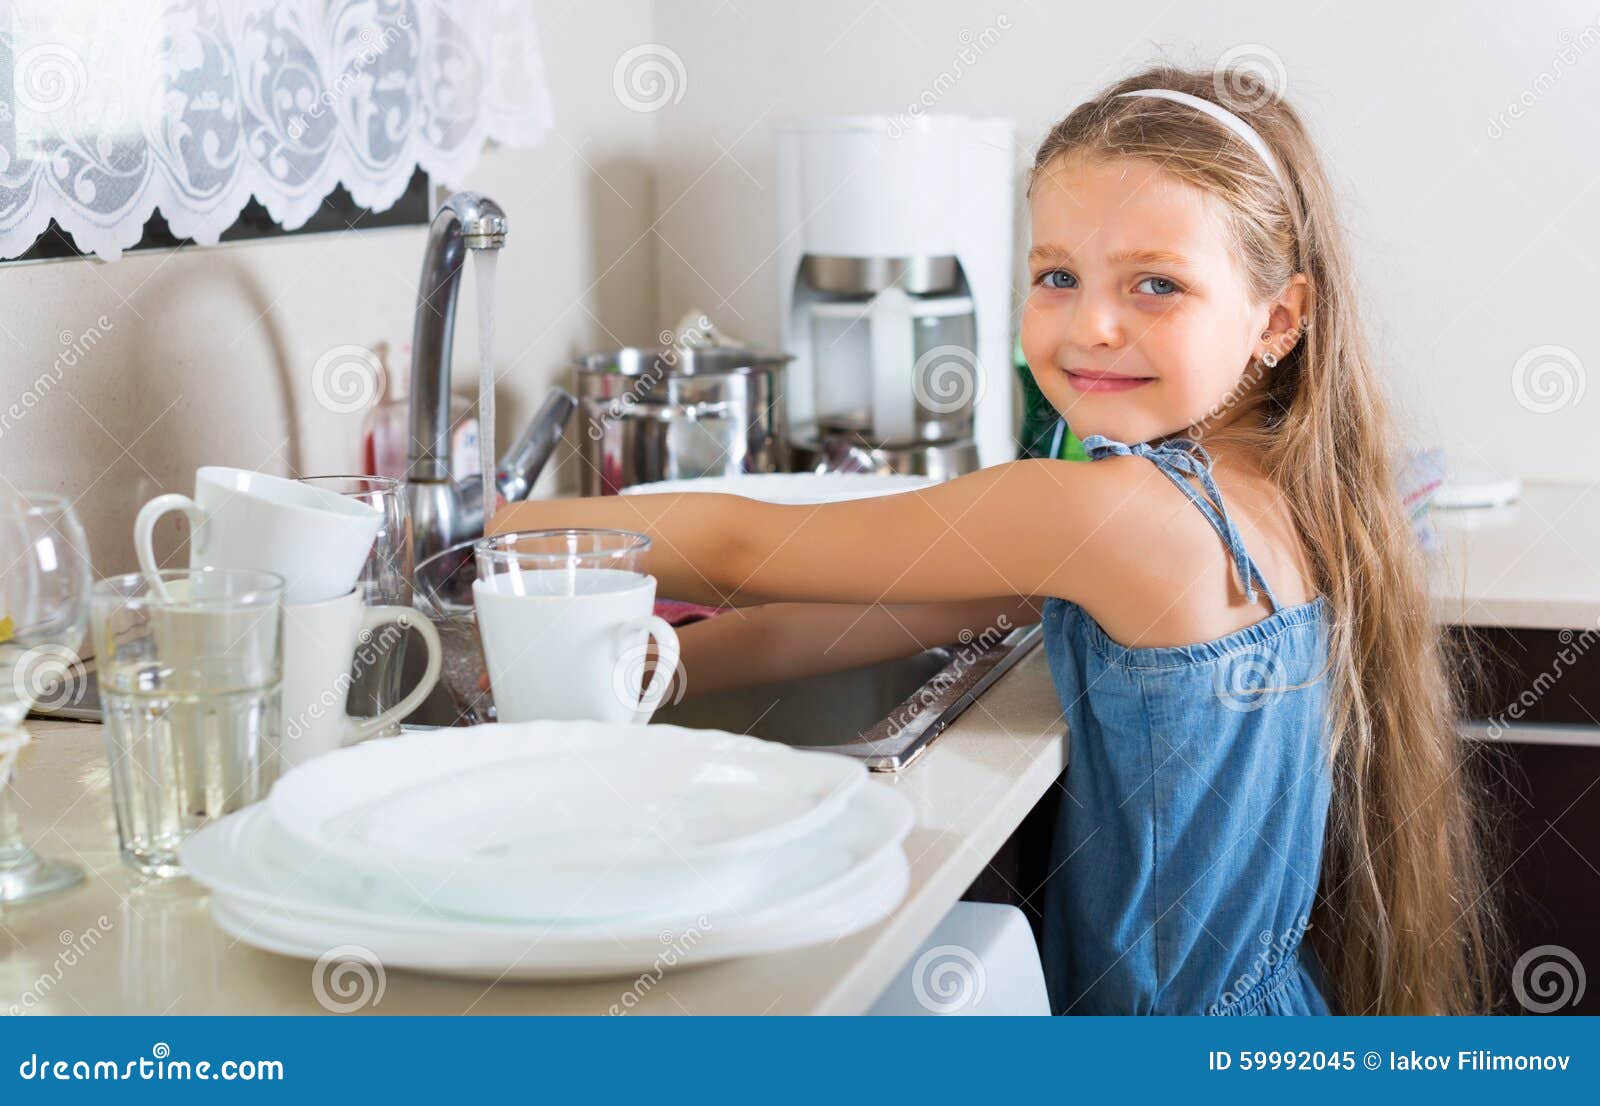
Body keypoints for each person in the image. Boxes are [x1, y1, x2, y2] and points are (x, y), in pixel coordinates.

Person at [490, 63, 1500, 1016]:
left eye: (1155, 284)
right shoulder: (1276, 490)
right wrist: (622, 674)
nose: (1091, 324)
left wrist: (485, 531)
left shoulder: (1111, 514)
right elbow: (865, 618)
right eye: (1057, 274)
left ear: (1277, 317)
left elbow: (746, 548)